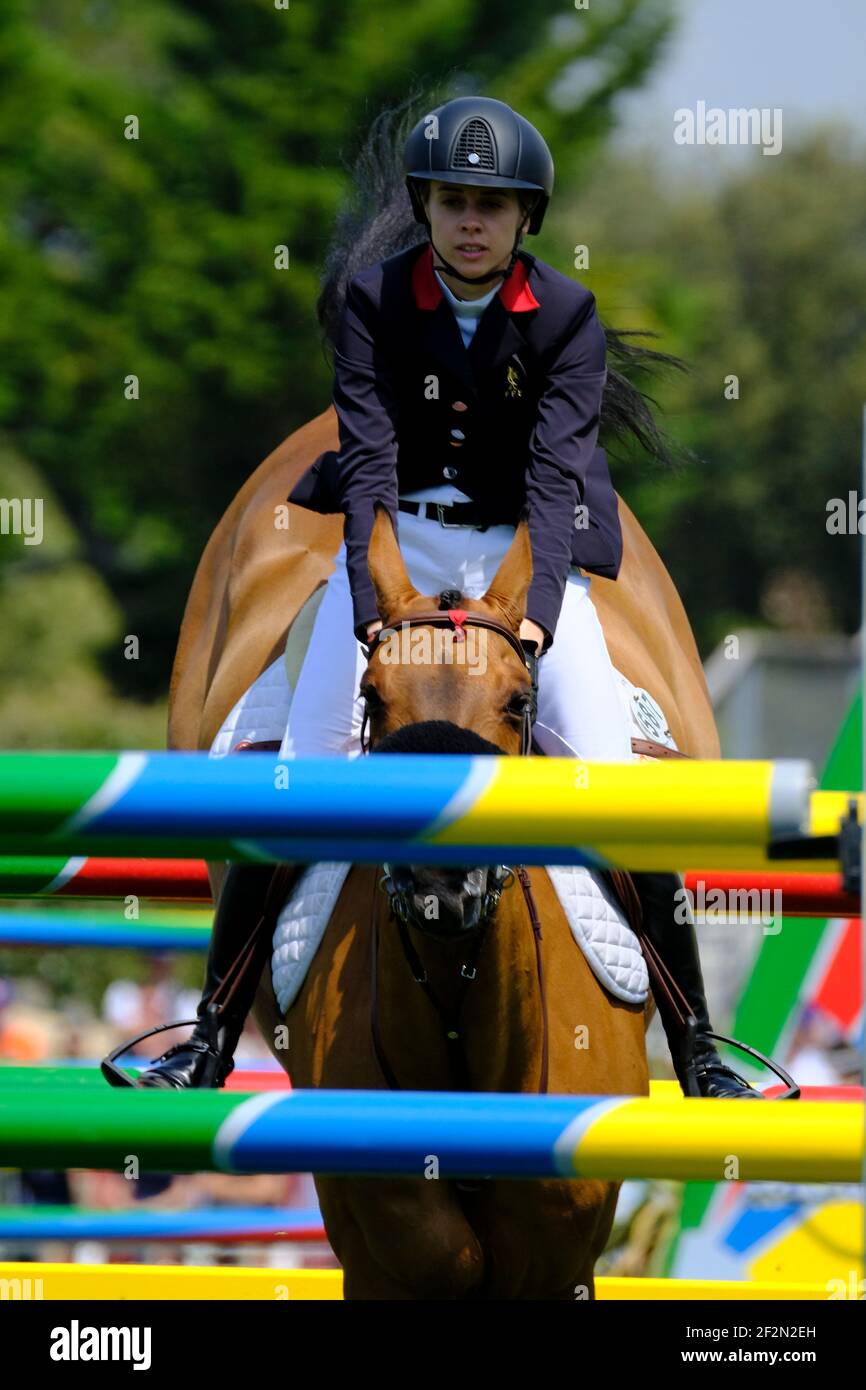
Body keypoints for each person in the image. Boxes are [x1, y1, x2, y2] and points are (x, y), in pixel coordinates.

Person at [126, 96, 760, 1098]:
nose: (472, 221)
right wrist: (376, 606)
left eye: (492, 206)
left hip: (522, 554)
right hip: (394, 549)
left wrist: (534, 619)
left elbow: (553, 494)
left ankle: (694, 1046)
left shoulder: (565, 319)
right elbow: (367, 471)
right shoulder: (374, 306)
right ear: (426, 207)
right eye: (454, 201)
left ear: (524, 220)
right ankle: (208, 1036)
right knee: (297, 769)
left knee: (616, 775)